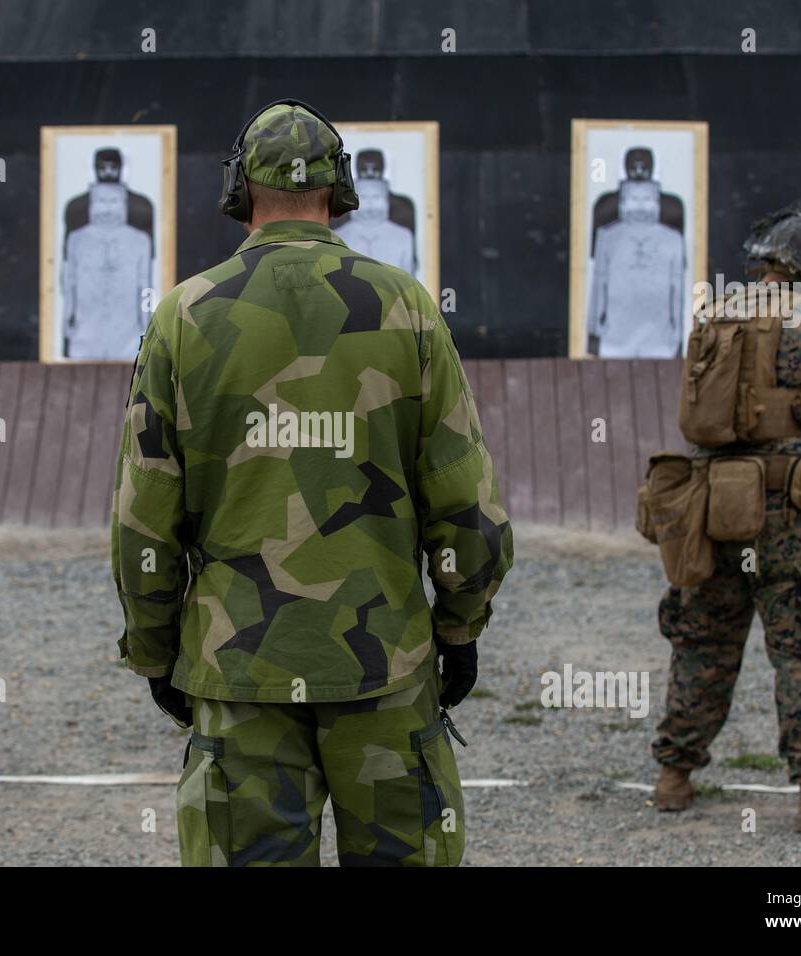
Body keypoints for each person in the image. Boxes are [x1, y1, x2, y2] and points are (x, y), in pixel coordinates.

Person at [110, 99, 513, 866]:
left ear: (240, 191)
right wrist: (459, 627)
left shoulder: (182, 315)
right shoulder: (408, 307)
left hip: (240, 667)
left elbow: (144, 518)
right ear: (340, 190)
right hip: (384, 667)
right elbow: (467, 503)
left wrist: (155, 651)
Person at [649, 203, 801, 833]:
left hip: (714, 507)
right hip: (786, 515)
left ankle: (673, 776)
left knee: (702, 643)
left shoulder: (713, 316)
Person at [586, 178, 686, 357]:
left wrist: (677, 329)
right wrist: (594, 324)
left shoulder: (673, 240)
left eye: (646, 200)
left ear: (656, 202)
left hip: (658, 333)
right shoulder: (607, 237)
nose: (640, 206)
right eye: (634, 199)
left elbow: (677, 290)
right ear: (623, 201)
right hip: (616, 332)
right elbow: (599, 282)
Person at [60, 182, 152, 358]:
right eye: (101, 201)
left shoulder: (140, 241)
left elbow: (145, 285)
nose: (107, 208)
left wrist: (147, 325)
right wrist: (67, 321)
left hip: (128, 334)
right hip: (85, 335)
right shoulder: (77, 239)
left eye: (113, 201)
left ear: (124, 204)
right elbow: (69, 282)